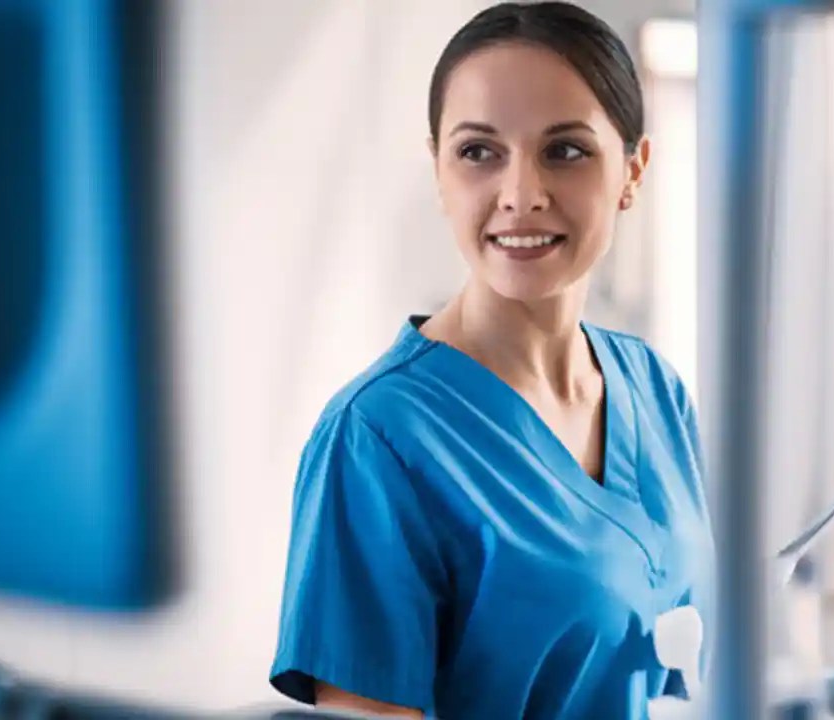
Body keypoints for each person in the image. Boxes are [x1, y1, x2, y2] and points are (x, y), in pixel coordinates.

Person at [267, 2, 715, 718]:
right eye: (479, 152)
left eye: (565, 150)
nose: (521, 195)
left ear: (633, 170)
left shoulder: (655, 387)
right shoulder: (378, 437)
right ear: (440, 172)